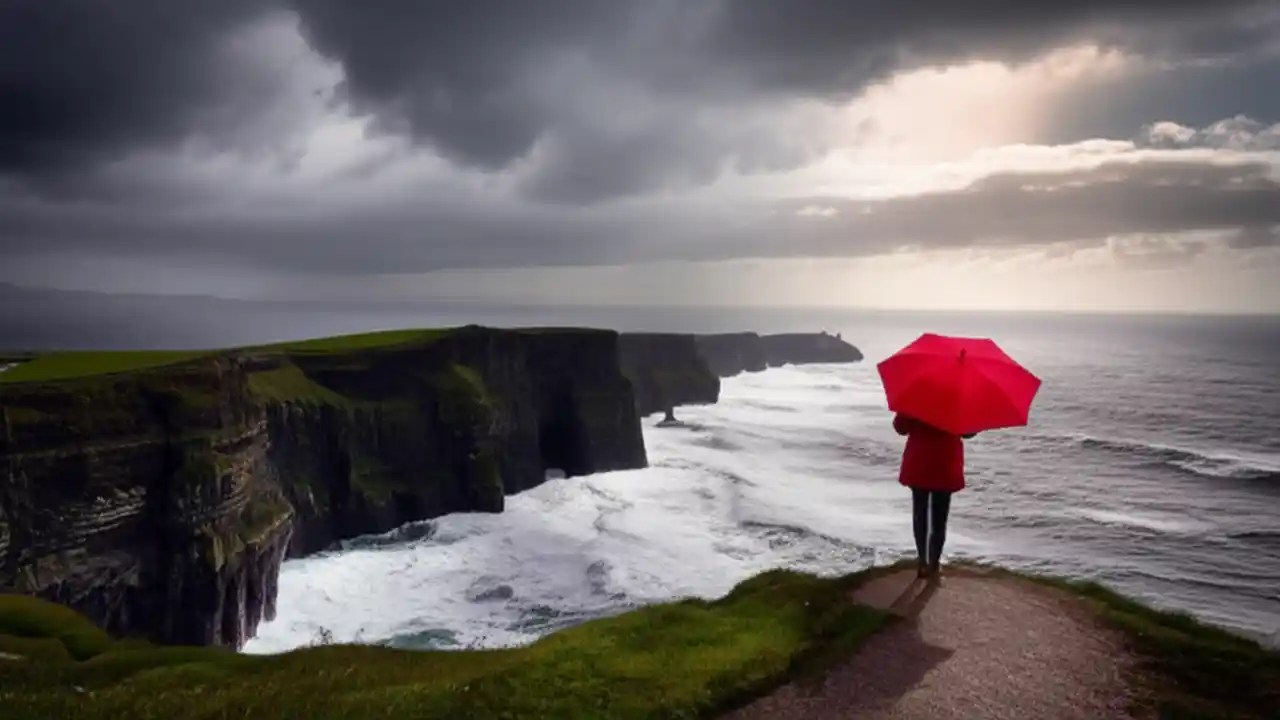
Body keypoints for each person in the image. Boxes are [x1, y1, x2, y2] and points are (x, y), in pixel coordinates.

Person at [893, 413, 975, 578]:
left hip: (919, 461)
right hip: (945, 463)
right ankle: (934, 564)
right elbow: (968, 433)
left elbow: (900, 428)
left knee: (919, 514)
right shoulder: (957, 403)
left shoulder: (915, 399)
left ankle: (922, 561)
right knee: (940, 518)